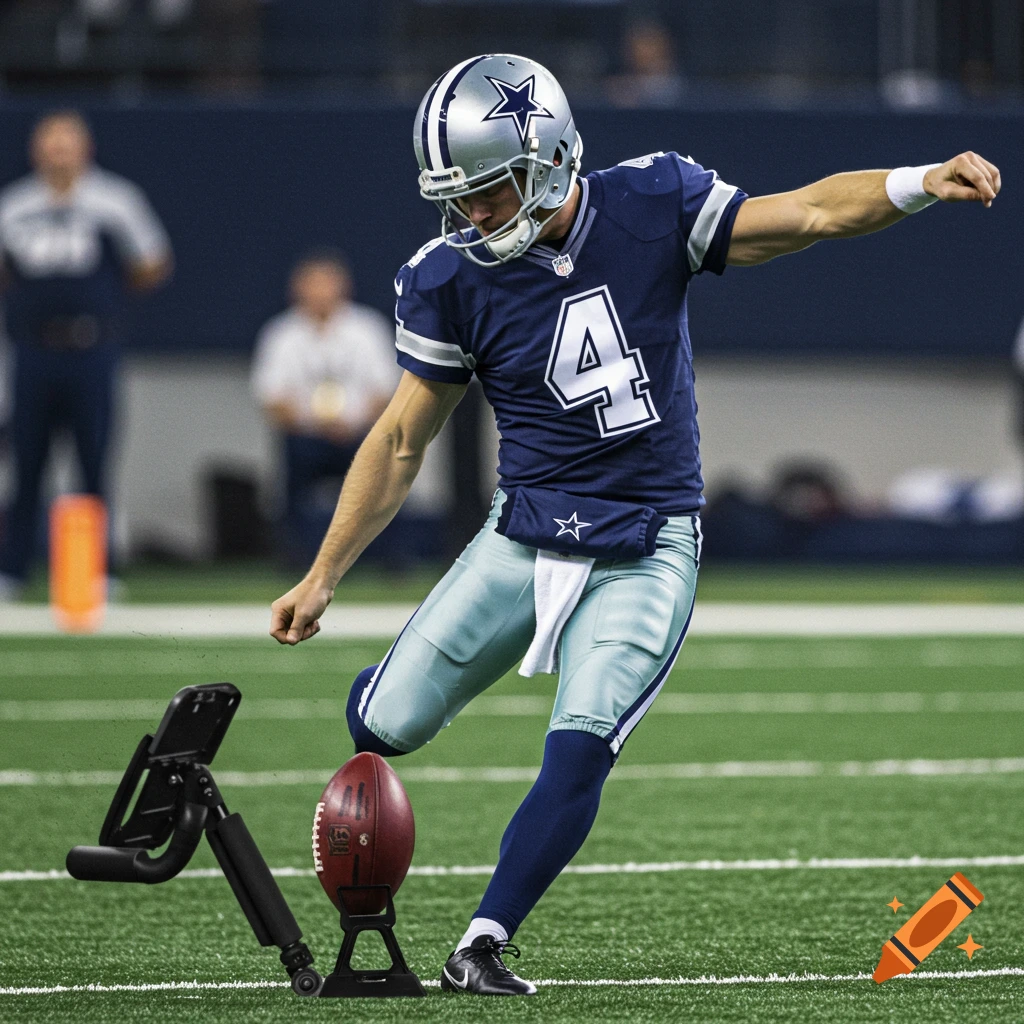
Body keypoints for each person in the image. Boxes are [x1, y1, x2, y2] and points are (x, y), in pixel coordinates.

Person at [268, 54, 1001, 995]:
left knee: (580, 742)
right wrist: (324, 574)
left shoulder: (653, 202)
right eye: (459, 197)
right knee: (380, 723)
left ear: (550, 158)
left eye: (490, 191)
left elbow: (809, 211)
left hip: (646, 542)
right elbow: (403, 438)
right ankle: (393, 703)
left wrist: (917, 185)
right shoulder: (448, 276)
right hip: (525, 531)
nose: (474, 216)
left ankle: (483, 941)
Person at [0, 110, 171, 597]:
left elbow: (152, 261)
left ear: (85, 148)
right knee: (27, 460)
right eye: (50, 142)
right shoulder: (14, 206)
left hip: (91, 347)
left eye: (66, 142)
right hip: (33, 349)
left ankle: (97, 570)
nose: (58, 152)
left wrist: (103, 305)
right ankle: (13, 568)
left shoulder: (114, 201)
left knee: (93, 458)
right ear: (36, 150)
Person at [251, 250, 396, 564]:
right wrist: (316, 425)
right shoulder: (281, 334)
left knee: (385, 465)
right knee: (292, 466)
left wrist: (351, 424)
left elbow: (385, 391)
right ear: (297, 289)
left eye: (326, 284)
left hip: (359, 434)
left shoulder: (367, 329)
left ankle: (386, 558)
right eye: (312, 284)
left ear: (343, 287)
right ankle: (294, 557)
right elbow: (271, 398)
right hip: (306, 437)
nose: (320, 293)